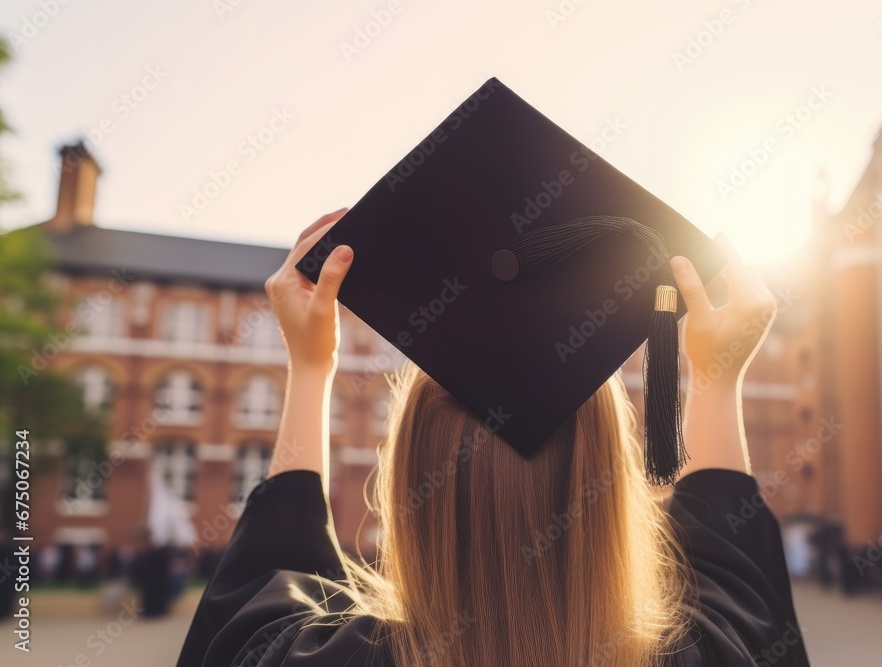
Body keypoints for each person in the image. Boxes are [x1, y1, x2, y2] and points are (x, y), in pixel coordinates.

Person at [176, 211, 810, 665]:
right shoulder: (718, 652)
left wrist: (311, 368)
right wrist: (718, 379)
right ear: (610, 481)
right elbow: (730, 561)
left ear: (406, 481)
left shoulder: (302, 658)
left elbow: (272, 568)